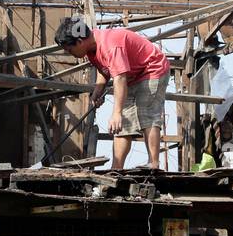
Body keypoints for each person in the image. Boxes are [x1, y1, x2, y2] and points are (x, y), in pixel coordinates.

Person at [56, 17, 170, 170]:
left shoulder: (110, 45)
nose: (70, 53)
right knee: (123, 125)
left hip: (152, 69)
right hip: (133, 75)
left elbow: (120, 78)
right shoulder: (91, 47)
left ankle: (153, 163)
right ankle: (117, 168)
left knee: (146, 114)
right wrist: (97, 91)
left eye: (70, 50)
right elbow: (104, 69)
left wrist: (116, 113)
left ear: (80, 41)